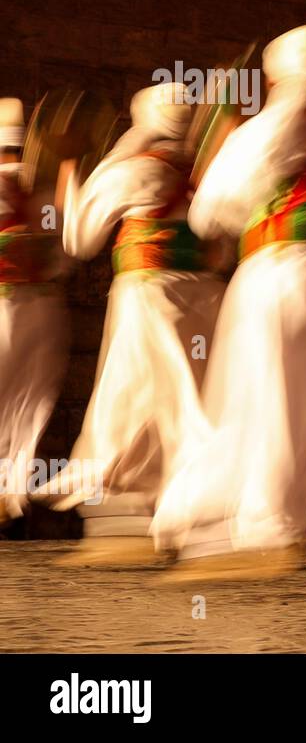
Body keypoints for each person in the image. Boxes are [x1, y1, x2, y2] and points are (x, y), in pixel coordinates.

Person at [152, 25, 306, 578]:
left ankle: (270, 527)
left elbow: (211, 213)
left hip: (278, 273)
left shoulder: (273, 125)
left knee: (264, 397)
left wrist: (221, 141)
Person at [34, 83, 226, 565]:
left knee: (133, 399)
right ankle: (184, 514)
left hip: (149, 295)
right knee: (188, 395)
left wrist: (69, 171)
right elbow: (222, 246)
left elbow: (79, 239)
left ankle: (134, 521)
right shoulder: (203, 172)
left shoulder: (133, 171)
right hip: (204, 298)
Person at [0, 97, 69, 527]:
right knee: (28, 399)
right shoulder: (43, 193)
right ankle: (9, 489)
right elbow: (63, 255)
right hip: (42, 305)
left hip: (7, 301)